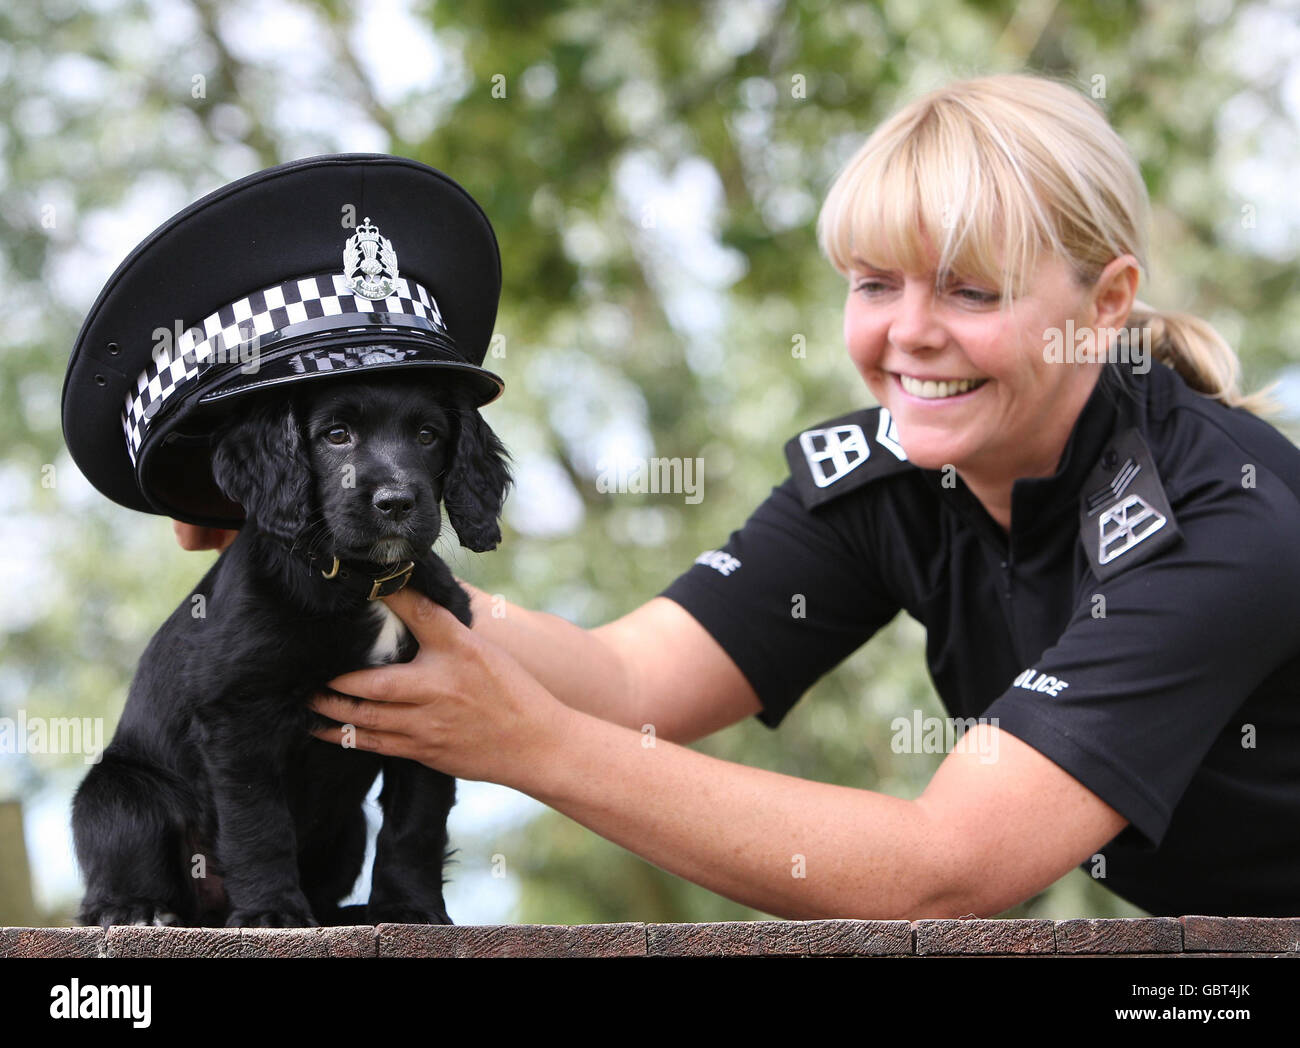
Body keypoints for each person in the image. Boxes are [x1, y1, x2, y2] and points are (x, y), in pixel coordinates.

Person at [178, 73, 1300, 920]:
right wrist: (317, 540)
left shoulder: (1225, 516)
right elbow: (630, 680)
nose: (908, 333)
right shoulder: (899, 468)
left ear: (1103, 302)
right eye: (873, 284)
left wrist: (531, 747)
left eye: (969, 289)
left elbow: (945, 867)